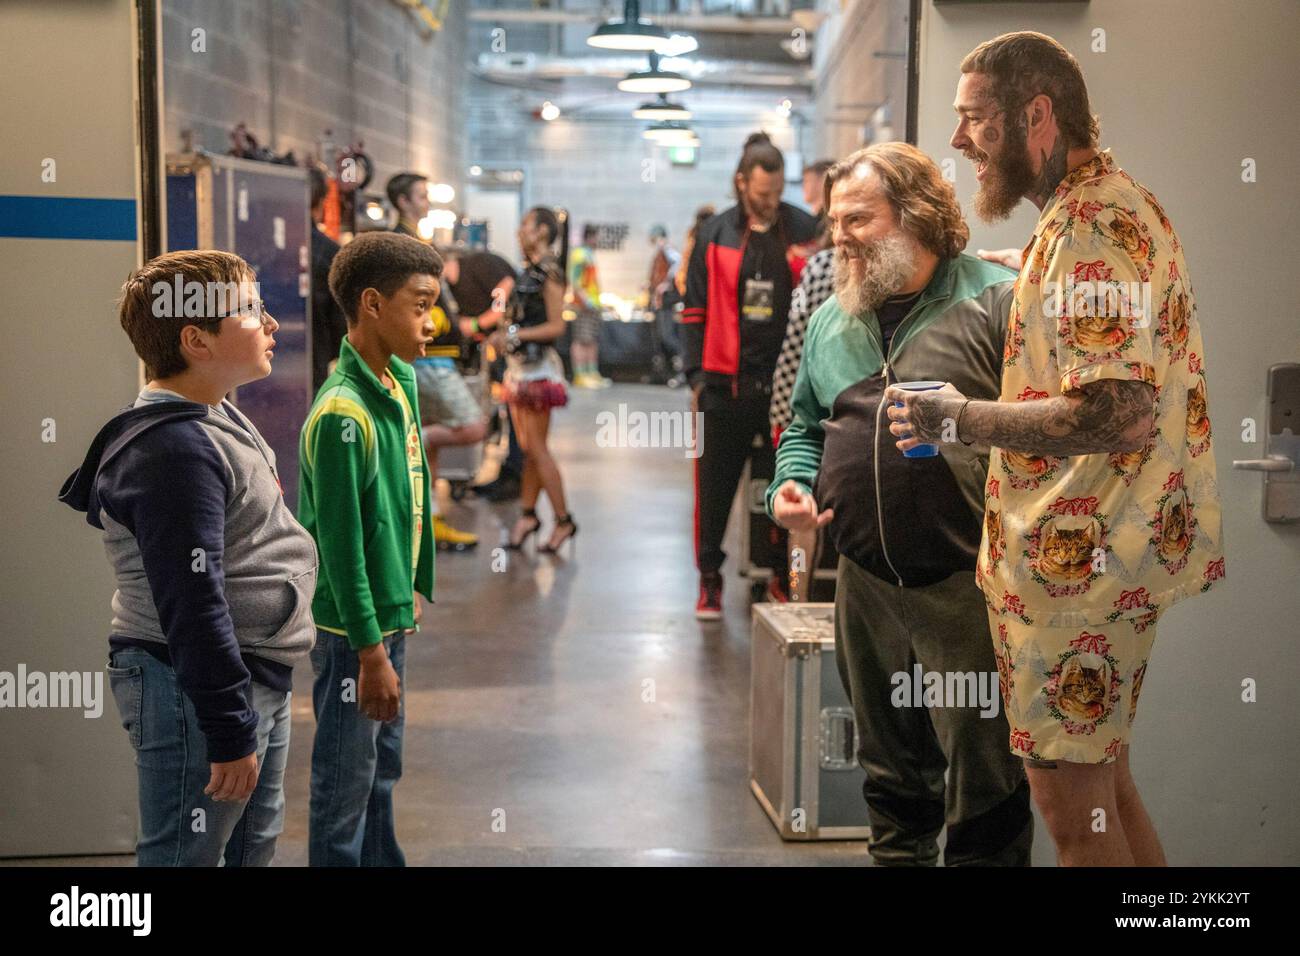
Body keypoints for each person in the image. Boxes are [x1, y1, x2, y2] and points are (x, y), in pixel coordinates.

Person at [889, 31, 1225, 866]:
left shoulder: (1087, 228)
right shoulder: (1100, 208)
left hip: (1080, 576)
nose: (960, 140)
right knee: (1107, 797)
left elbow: (1118, 415)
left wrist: (958, 420)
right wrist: (1026, 271)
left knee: (1075, 824)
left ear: (1036, 115)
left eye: (976, 121)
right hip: (1105, 564)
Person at [769, 143, 1030, 866]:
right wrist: (789, 486)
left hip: (966, 592)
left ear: (915, 215)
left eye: (857, 218)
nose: (839, 236)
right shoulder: (832, 318)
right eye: (834, 221)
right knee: (891, 788)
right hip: (866, 590)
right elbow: (801, 426)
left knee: (987, 792)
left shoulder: (996, 300)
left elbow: (1052, 433)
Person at [59, 250, 317, 865]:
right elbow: (193, 604)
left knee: (252, 847)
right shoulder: (173, 450)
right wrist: (229, 728)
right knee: (184, 854)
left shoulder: (214, 413)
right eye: (251, 310)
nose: (272, 323)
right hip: (191, 689)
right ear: (196, 338)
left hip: (253, 678)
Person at [298, 231, 439, 866]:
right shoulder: (341, 416)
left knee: (381, 771)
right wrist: (369, 650)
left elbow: (406, 501)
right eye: (420, 304)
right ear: (373, 305)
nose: (431, 322)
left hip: (387, 622)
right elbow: (340, 547)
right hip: (352, 636)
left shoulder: (398, 383)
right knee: (344, 786)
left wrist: (402, 597)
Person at [682, 131, 819, 620]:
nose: (768, 203)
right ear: (741, 183)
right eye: (760, 194)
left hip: (786, 389)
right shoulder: (715, 233)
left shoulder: (804, 228)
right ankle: (709, 580)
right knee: (713, 491)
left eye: (776, 193)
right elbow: (693, 309)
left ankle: (780, 578)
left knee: (780, 489)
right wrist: (696, 377)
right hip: (724, 387)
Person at [387, 171, 479, 551]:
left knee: (433, 449)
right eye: (422, 195)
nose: (427, 201)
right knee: (473, 426)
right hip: (426, 360)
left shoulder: (415, 242)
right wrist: (431, 319)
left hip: (435, 356)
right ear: (404, 201)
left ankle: (429, 522)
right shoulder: (401, 244)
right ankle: (408, 442)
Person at [500, 206, 577, 553]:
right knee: (528, 449)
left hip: (537, 370)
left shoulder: (550, 273)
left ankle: (563, 519)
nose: (520, 231)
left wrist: (516, 334)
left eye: (526, 226)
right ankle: (528, 514)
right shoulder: (530, 270)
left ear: (543, 231)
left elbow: (557, 326)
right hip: (520, 369)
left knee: (536, 448)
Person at [768, 217, 835, 602]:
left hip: (812, 403)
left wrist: (781, 409)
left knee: (802, 517)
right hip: (860, 413)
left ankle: (798, 596)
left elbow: (795, 340)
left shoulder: (820, 265)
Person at [442, 247, 525, 502]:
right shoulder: (453, 293)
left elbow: (505, 285)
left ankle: (515, 474)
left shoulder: (475, 263)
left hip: (518, 341)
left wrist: (484, 320)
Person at [309, 164, 347, 394]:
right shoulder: (328, 251)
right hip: (315, 362)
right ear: (321, 200)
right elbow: (340, 323)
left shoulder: (255, 247)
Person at [567, 223, 611, 389]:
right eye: (596, 236)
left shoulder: (589, 254)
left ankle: (592, 372)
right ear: (589, 236)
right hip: (583, 306)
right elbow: (575, 282)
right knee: (581, 339)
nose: (598, 240)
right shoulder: (580, 254)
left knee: (591, 340)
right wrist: (585, 301)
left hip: (593, 305)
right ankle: (580, 374)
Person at [647, 223, 683, 386]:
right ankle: (664, 373)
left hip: (666, 302)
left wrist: (666, 283)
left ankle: (681, 369)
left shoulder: (667, 249)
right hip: (659, 302)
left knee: (668, 337)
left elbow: (678, 262)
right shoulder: (661, 252)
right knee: (660, 339)